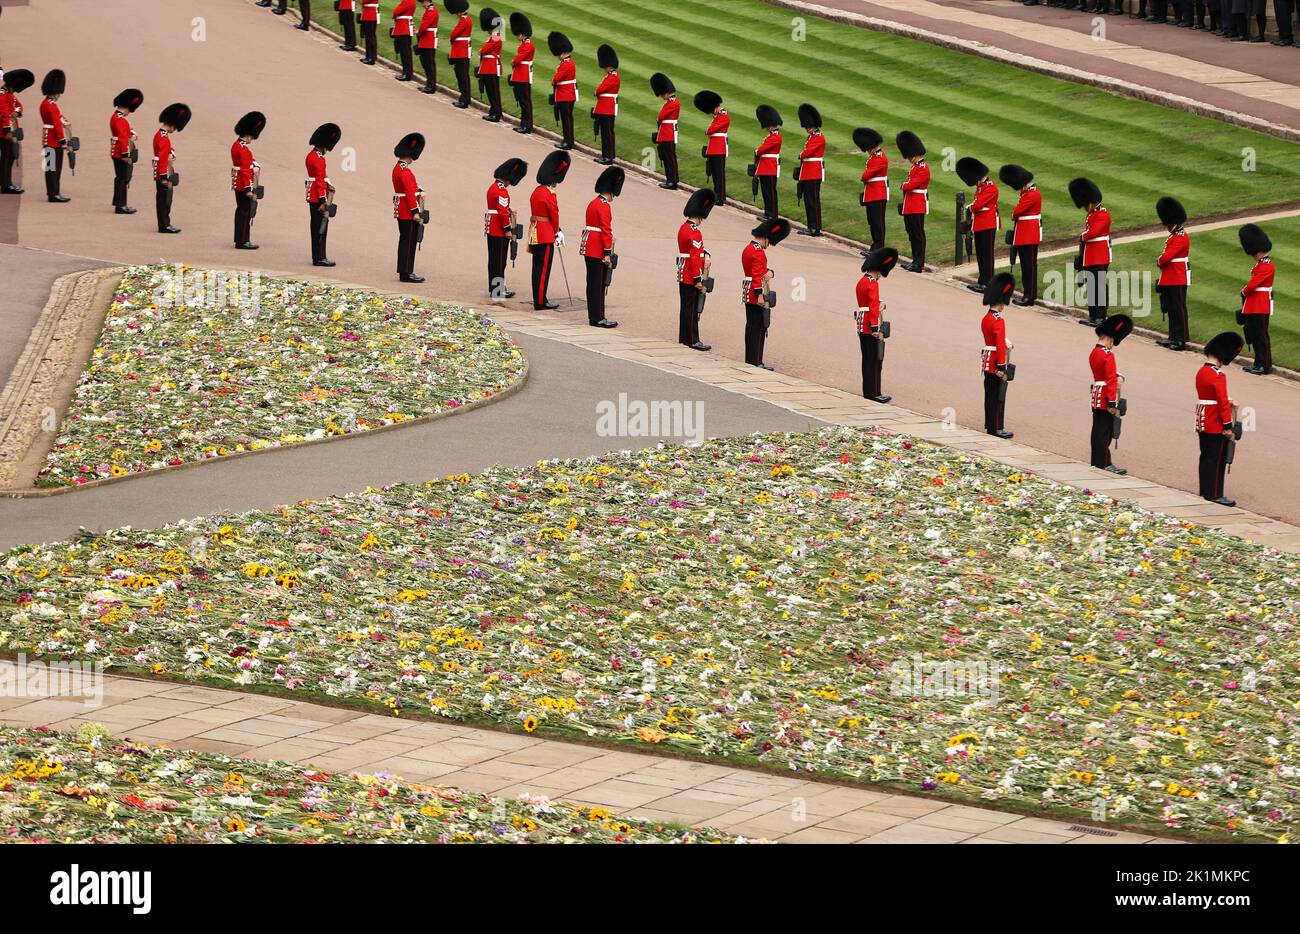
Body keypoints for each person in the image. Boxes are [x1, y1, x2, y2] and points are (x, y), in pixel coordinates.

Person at [1196, 331, 1244, 506]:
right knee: (1217, 460)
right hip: (1215, 421)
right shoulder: (1218, 375)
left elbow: (1209, 396)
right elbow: (1222, 403)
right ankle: (1215, 493)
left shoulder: (1202, 371)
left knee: (1206, 456)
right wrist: (1228, 425)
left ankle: (1206, 490)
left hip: (1203, 419)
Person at [741, 217, 791, 370]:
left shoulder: (749, 248)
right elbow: (757, 277)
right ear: (765, 237)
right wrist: (760, 296)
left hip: (748, 290)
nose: (768, 245)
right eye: (769, 241)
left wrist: (769, 272)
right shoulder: (759, 252)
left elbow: (758, 271)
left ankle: (750, 359)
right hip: (756, 293)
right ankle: (756, 361)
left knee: (751, 326)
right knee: (758, 328)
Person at [1089, 314, 1132, 474]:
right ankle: (1104, 463)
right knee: (1104, 432)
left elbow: (1104, 374)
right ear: (1109, 339)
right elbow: (1111, 381)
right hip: (1106, 395)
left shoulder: (1095, 352)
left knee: (1098, 430)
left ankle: (1097, 460)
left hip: (1098, 393)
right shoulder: (1107, 354)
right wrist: (1112, 403)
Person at [580, 166, 622, 328]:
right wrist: (607, 252)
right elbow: (605, 229)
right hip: (597, 248)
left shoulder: (593, 203)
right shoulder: (604, 206)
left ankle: (595, 316)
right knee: (597, 284)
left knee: (593, 282)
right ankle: (598, 318)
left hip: (589, 245)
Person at [529, 150, 570, 310]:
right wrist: (556, 231)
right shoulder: (549, 194)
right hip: (546, 234)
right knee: (544, 268)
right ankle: (540, 301)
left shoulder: (536, 191)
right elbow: (554, 215)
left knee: (537, 268)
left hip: (536, 231)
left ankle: (538, 298)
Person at [857, 247, 899, 403]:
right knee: (875, 360)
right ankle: (874, 392)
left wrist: (881, 304)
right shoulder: (873, 283)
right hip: (870, 325)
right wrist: (876, 328)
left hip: (862, 323)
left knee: (867, 359)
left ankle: (869, 390)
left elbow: (868, 302)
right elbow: (873, 308)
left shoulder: (863, 281)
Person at [1070, 177, 1111, 327]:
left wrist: (1083, 236)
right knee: (1092, 285)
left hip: (1099, 255)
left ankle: (1100, 316)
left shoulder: (1103, 214)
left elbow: (1093, 233)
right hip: (1090, 255)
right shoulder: (1092, 213)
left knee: (1099, 286)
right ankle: (1093, 315)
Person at [677, 188, 715, 351]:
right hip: (691, 274)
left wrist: (705, 254)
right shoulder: (695, 232)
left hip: (683, 272)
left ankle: (684, 337)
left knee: (686, 307)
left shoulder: (683, 228)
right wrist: (698, 279)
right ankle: (693, 339)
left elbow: (695, 252)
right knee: (692, 308)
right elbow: (694, 257)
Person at [485, 156, 527, 299]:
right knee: (499, 261)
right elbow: (502, 213)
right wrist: (508, 230)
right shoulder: (502, 191)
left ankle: (494, 288)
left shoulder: (494, 187)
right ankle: (498, 291)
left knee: (493, 260)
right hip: (499, 230)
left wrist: (508, 209)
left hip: (492, 228)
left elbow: (500, 208)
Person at [980, 271, 1016, 439]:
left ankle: (990, 423)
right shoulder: (999, 320)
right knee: (997, 395)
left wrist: (1004, 341)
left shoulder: (986, 318)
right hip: (996, 362)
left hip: (987, 360)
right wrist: (1002, 366)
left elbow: (995, 339)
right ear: (1001, 303)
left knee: (989, 394)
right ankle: (996, 428)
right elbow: (1000, 346)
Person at [1155, 196, 1190, 351]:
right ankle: (1173, 337)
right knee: (1171, 308)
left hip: (1178, 276)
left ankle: (1181, 339)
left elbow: (1167, 257)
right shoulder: (1175, 235)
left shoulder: (1181, 237)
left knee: (1179, 308)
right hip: (1170, 276)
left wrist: (1159, 260)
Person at [1001, 164, 1040, 306]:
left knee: (1029, 267)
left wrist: (1014, 214)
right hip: (1024, 234)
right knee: (1026, 266)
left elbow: (1016, 213)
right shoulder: (1028, 193)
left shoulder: (1032, 194)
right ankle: (1029, 294)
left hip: (1028, 235)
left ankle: (1029, 296)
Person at [1239, 222, 1275, 375]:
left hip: (1260, 304)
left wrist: (1244, 291)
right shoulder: (1260, 264)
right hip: (1254, 303)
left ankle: (1265, 364)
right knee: (1255, 334)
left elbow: (1253, 285)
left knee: (1261, 335)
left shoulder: (1267, 265)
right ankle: (1258, 362)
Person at [958, 157, 999, 290]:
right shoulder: (981, 187)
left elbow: (978, 205)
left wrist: (970, 207)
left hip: (988, 224)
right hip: (980, 224)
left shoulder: (991, 187)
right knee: (981, 254)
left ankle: (988, 283)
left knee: (987, 255)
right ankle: (982, 281)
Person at [392, 131, 426, 283]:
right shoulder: (405, 171)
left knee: (405, 241)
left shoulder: (399, 168)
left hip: (403, 210)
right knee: (409, 242)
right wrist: (415, 212)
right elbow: (410, 194)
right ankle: (407, 272)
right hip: (407, 212)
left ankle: (405, 271)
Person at [153, 102, 191, 234]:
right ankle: (164, 225)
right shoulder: (163, 138)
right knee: (165, 200)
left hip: (161, 171)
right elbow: (163, 159)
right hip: (163, 174)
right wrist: (164, 177)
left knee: (164, 200)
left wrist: (171, 152)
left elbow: (165, 152)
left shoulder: (161, 135)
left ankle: (165, 223)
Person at [306, 122, 340, 266]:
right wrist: (323, 200)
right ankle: (320, 257)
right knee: (321, 227)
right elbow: (319, 180)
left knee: (316, 226)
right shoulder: (319, 159)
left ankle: (318, 256)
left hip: (312, 194)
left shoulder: (311, 155)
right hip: (318, 196)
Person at [231, 110, 265, 249]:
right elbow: (245, 171)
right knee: (245, 212)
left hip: (237, 183)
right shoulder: (244, 150)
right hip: (243, 184)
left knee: (241, 211)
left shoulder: (236, 145)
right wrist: (249, 189)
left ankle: (240, 238)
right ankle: (243, 240)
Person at [897, 130, 929, 272]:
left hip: (917, 204)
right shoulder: (915, 167)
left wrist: (904, 185)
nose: (908, 158)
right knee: (911, 233)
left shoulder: (923, 167)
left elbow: (911, 185)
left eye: (910, 156)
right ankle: (915, 260)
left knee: (918, 234)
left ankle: (919, 263)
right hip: (910, 204)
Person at [109, 88, 143, 215]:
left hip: (116, 151)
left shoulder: (116, 117)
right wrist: (125, 154)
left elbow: (126, 132)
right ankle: (121, 205)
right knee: (123, 178)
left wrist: (132, 133)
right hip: (120, 152)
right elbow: (123, 138)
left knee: (121, 178)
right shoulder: (121, 119)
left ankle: (120, 203)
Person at [39, 69, 70, 203]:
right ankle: (54, 194)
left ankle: (53, 192)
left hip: (49, 139)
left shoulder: (47, 103)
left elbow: (58, 118)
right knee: (53, 168)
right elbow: (56, 125)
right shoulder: (51, 105)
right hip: (53, 140)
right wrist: (63, 141)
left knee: (51, 168)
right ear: (56, 93)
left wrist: (65, 121)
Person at [0, 69, 33, 194]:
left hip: (11, 129)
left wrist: (17, 112)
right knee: (6, 158)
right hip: (4, 132)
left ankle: (6, 183)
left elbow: (18, 105)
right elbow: (4, 114)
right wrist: (8, 131)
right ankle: (6, 185)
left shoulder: (9, 93)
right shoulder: (2, 94)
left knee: (10, 157)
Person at [855, 127, 888, 251]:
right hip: (871, 193)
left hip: (878, 194)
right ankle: (875, 246)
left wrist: (863, 176)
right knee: (872, 222)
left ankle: (879, 247)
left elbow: (867, 175)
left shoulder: (880, 157)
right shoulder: (874, 156)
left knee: (878, 223)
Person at [795, 104, 825, 237]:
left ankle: (816, 227)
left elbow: (809, 152)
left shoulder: (818, 137)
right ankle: (811, 226)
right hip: (807, 172)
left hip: (813, 172)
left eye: (808, 126)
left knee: (813, 200)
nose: (807, 128)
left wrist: (801, 155)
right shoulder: (812, 136)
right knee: (808, 200)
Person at [696, 90, 728, 202]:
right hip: (714, 147)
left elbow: (711, 130)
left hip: (719, 148)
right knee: (714, 173)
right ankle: (717, 194)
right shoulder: (718, 116)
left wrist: (707, 131)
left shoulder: (723, 116)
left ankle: (721, 196)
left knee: (719, 173)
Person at [592, 45, 620, 165]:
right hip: (604, 107)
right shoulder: (610, 76)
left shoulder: (613, 77)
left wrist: (596, 92)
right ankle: (606, 155)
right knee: (605, 133)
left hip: (607, 108)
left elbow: (599, 90)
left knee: (607, 133)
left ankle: (608, 156)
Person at [549, 32, 577, 149]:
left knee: (566, 119)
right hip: (566, 94)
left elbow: (557, 78)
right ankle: (568, 140)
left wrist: (553, 80)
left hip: (565, 94)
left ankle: (568, 141)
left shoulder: (566, 64)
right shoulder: (567, 62)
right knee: (567, 118)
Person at [651, 73, 679, 190]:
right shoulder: (670, 102)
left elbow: (661, 116)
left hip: (668, 133)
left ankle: (672, 181)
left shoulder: (673, 103)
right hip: (666, 132)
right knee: (667, 157)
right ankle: (671, 179)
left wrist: (659, 118)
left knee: (669, 158)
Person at [754, 105, 782, 219]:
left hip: (770, 167)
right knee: (766, 192)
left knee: (770, 193)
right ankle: (768, 213)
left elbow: (761, 150)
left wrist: (757, 151)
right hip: (765, 166)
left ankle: (772, 214)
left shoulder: (776, 136)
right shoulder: (771, 136)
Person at [477, 8, 505, 121]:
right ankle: (495, 111)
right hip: (489, 66)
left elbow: (483, 50)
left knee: (493, 92)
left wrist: (482, 51)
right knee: (492, 92)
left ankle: (496, 113)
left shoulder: (495, 36)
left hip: (491, 67)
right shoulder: (494, 35)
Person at [509, 13, 534, 131]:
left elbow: (519, 58)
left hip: (523, 75)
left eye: (518, 34)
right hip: (520, 74)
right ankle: (524, 124)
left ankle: (527, 125)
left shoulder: (528, 45)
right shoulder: (524, 43)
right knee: (523, 100)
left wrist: (513, 61)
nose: (517, 36)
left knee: (525, 101)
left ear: (522, 34)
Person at [447, 0, 473, 108]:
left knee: (462, 76)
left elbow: (453, 35)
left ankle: (464, 99)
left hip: (461, 52)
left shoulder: (464, 20)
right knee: (462, 76)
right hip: (461, 50)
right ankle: (464, 98)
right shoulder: (466, 19)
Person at [416, 1, 439, 94]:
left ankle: (431, 86)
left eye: (423, 2)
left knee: (429, 64)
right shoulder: (430, 10)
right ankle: (429, 84)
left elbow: (424, 27)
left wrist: (418, 32)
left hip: (428, 40)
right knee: (427, 63)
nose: (422, 4)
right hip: (427, 39)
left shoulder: (431, 11)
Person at [392, 0, 417, 82]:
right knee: (406, 52)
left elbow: (396, 12)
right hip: (404, 27)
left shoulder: (408, 1)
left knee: (405, 52)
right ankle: (407, 72)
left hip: (403, 28)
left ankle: (407, 74)